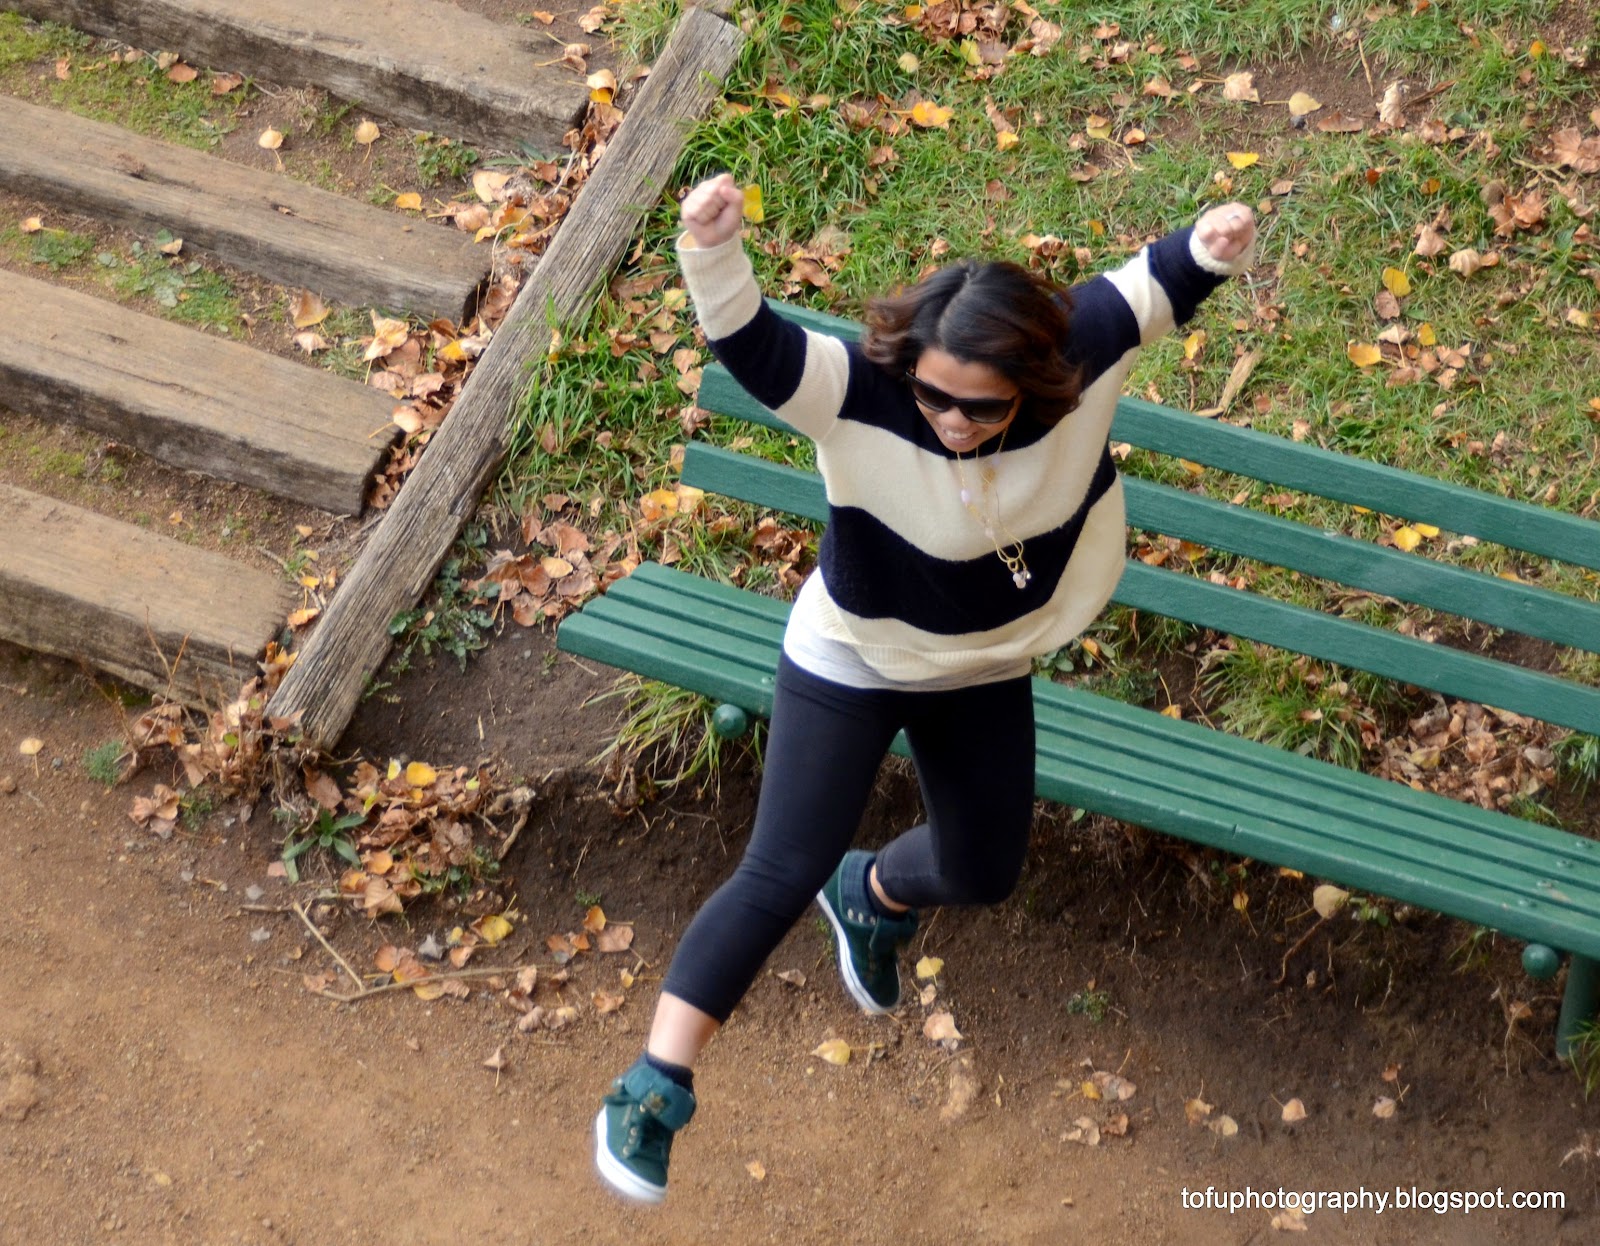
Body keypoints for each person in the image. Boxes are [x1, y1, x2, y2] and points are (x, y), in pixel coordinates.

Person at [594, 172, 1257, 1203]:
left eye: (978, 405)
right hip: (852, 651)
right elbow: (755, 348)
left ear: (1037, 382)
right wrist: (712, 249)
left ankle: (871, 895)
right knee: (778, 866)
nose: (950, 416)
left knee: (984, 869)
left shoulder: (1076, 353)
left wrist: (1213, 247)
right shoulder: (862, 389)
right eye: (935, 394)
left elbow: (1157, 282)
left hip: (984, 663)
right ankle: (650, 1083)